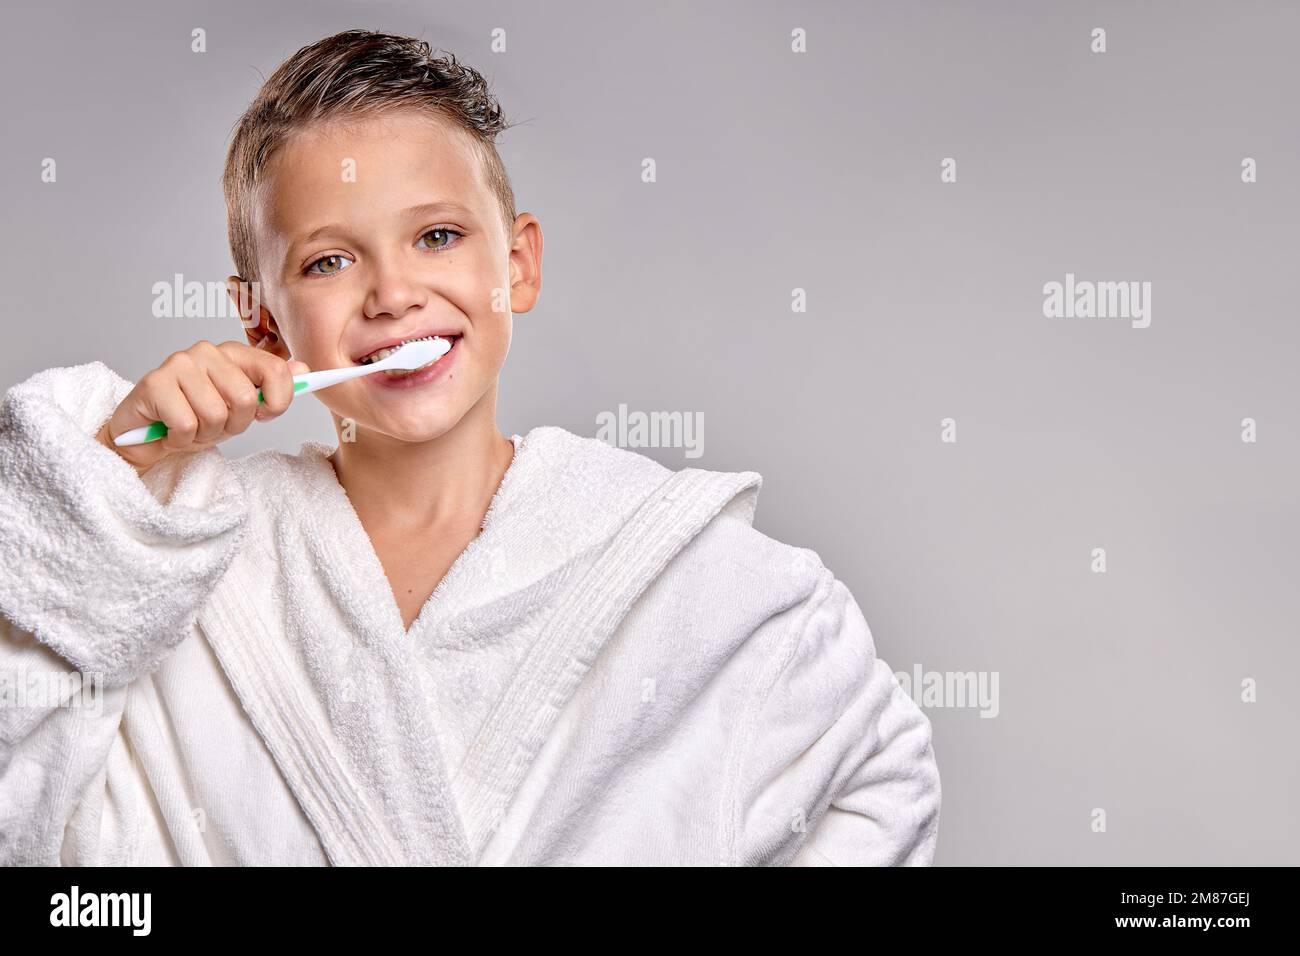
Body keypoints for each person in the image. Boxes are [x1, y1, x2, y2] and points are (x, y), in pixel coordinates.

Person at [0, 29, 940, 865]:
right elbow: (27, 803)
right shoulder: (179, 571)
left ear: (517, 265)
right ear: (264, 322)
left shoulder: (689, 577)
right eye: (329, 260)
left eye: (438, 236)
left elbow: (876, 778)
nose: (392, 292)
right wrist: (106, 481)